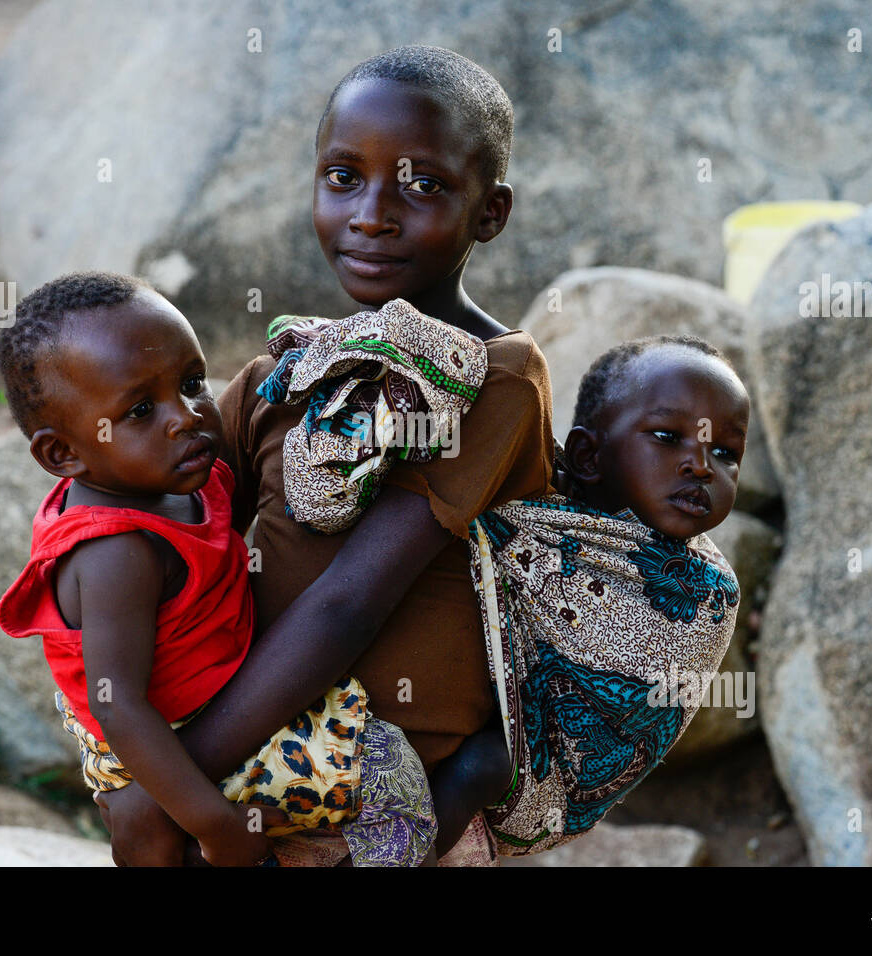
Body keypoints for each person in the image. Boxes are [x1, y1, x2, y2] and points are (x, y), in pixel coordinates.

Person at [96, 45, 555, 866]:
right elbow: (167, 528)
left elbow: (349, 604)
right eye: (344, 177)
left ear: (490, 212)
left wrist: (168, 788)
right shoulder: (284, 376)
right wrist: (155, 762)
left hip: (379, 803)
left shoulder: (497, 380)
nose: (371, 215)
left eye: (423, 185)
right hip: (256, 769)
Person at [0, 272, 438, 866]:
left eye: (191, 383)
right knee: (391, 776)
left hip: (200, 706)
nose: (186, 416)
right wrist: (216, 824)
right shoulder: (117, 552)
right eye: (141, 409)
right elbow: (117, 705)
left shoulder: (173, 476)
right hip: (153, 744)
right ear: (63, 453)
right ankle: (166, 833)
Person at [467, 334, 750, 853]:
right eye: (668, 436)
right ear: (587, 456)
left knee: (477, 766)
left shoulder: (708, 591)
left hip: (517, 780)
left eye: (725, 452)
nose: (701, 465)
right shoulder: (526, 502)